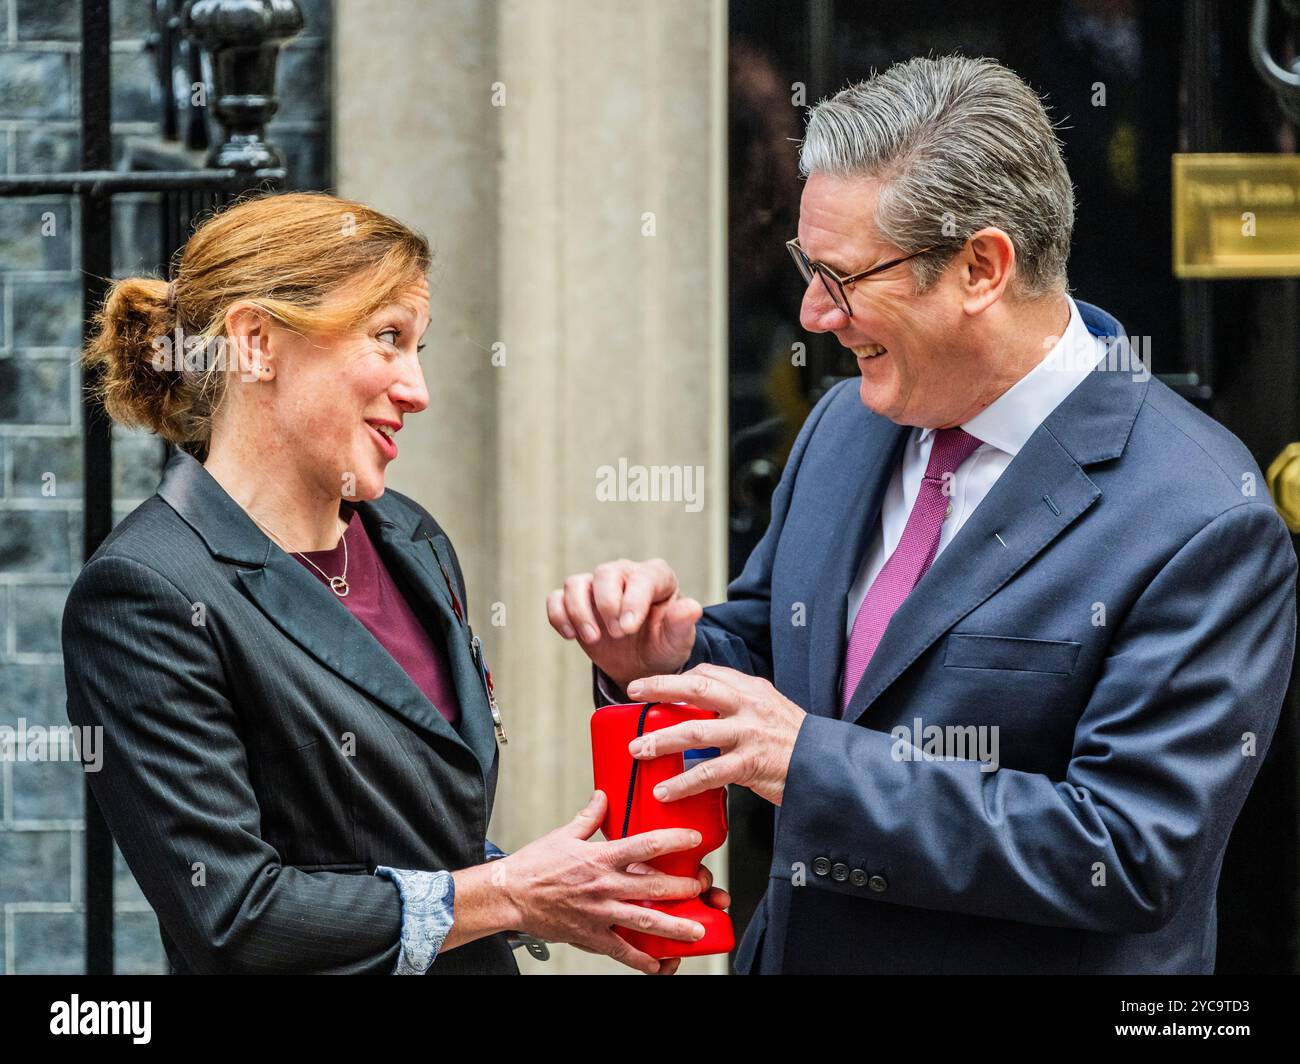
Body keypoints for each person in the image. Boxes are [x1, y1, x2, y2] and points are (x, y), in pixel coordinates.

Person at [548, 56, 1298, 974]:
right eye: (805, 266)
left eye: (842, 275)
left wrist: (812, 766)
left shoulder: (1200, 515)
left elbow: (1127, 853)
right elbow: (787, 660)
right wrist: (671, 655)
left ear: (982, 266)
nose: (813, 313)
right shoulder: (845, 422)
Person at [64, 191, 726, 975]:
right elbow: (237, 918)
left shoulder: (411, 538)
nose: (417, 390)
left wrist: (582, 889)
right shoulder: (145, 592)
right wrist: (513, 891)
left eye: (417, 346)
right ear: (254, 343)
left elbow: (408, 837)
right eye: (387, 338)